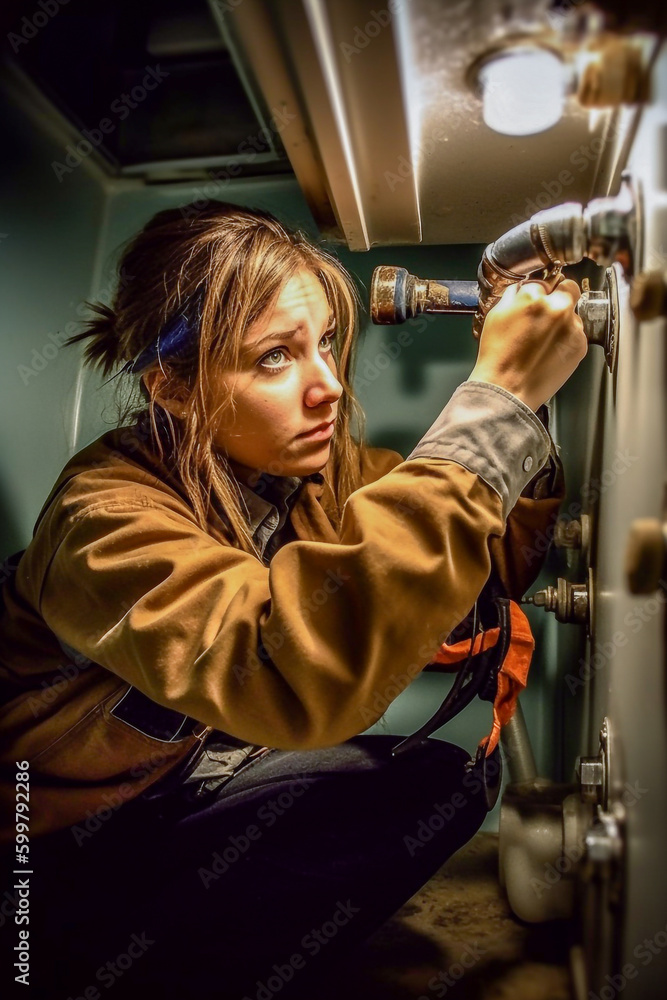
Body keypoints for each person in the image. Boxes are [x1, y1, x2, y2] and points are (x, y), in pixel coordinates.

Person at [0, 201, 585, 999]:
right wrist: (492, 406)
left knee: (433, 785)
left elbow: (472, 564)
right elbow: (284, 671)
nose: (330, 387)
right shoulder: (103, 521)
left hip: (178, 788)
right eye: (275, 357)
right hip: (49, 851)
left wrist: (526, 426)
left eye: (325, 346)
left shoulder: (305, 470)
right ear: (171, 385)